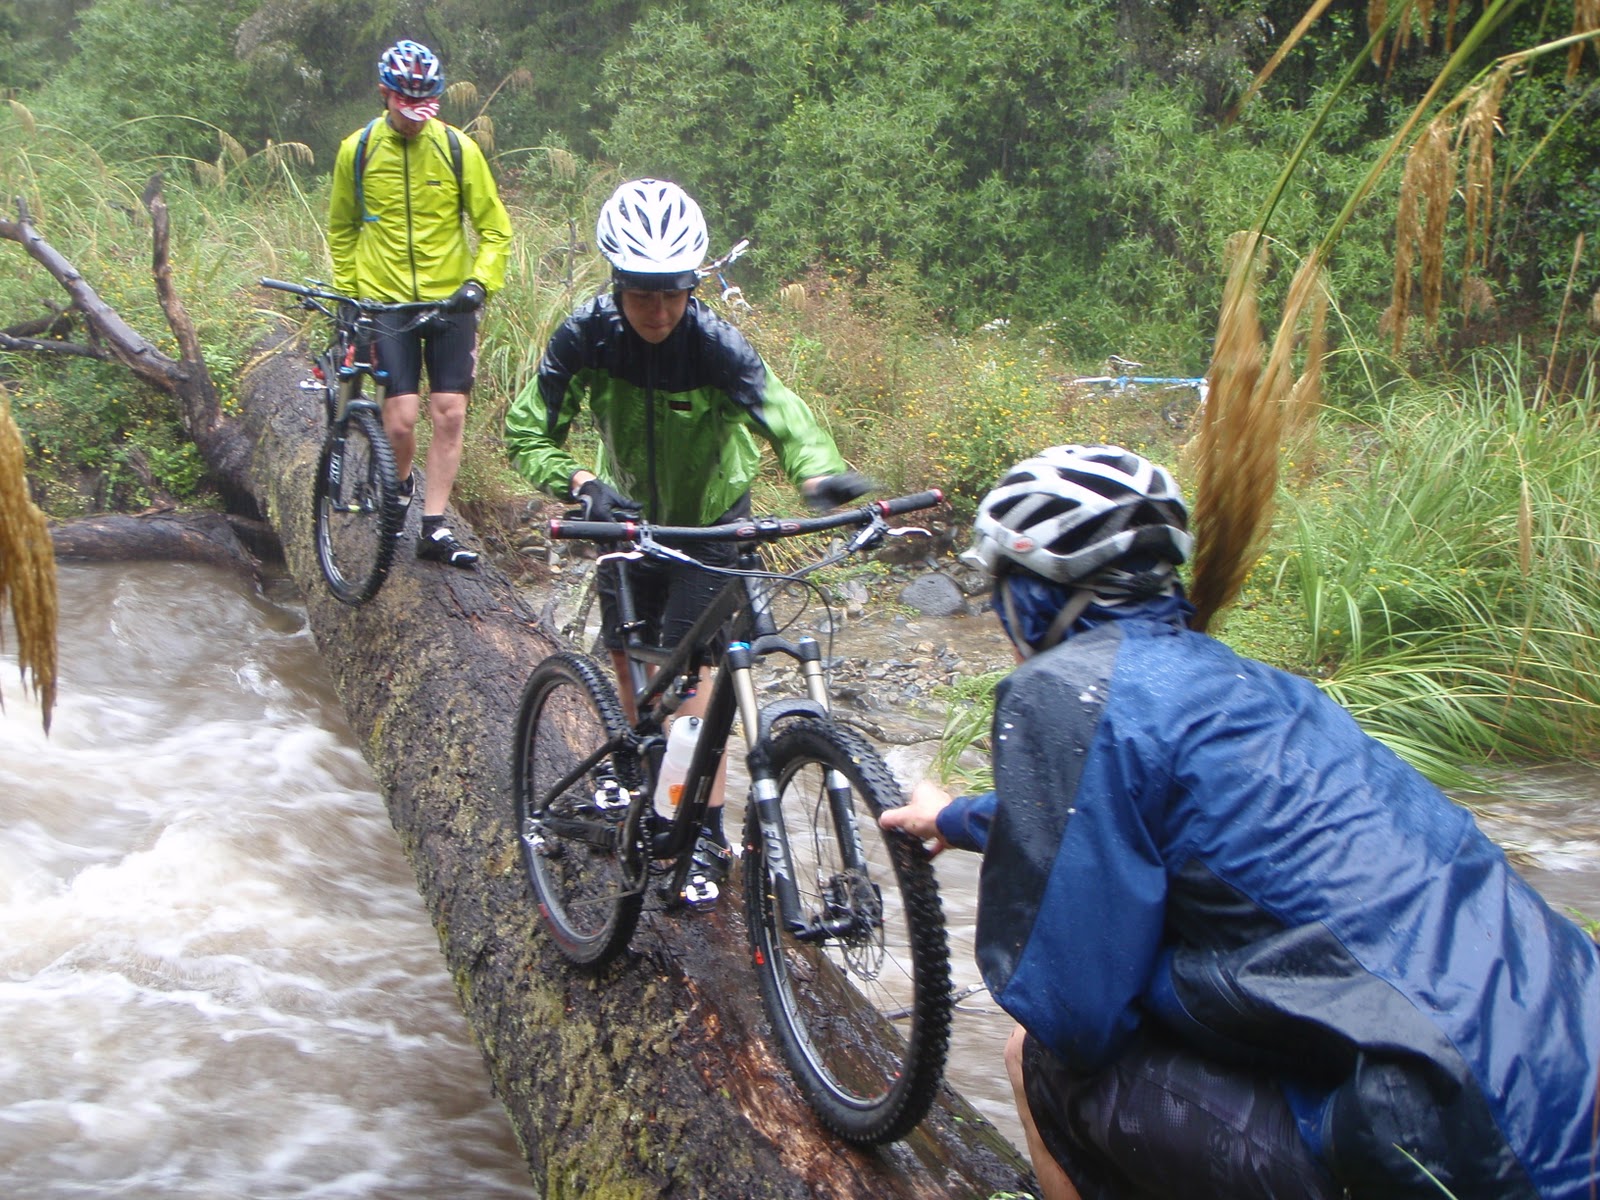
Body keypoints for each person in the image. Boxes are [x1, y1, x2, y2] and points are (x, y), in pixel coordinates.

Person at [881, 444, 1600, 1200]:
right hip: (1563, 1072)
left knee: (1039, 1059)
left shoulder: (1062, 688)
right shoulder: (1255, 689)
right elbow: (1116, 816)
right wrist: (959, 816)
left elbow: (1076, 1014)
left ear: (1031, 590)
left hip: (1455, 1150)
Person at [504, 177, 870, 900]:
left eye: (673, 292)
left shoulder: (713, 344)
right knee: (634, 669)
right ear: (617, 283)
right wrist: (579, 482)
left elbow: (784, 413)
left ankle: (704, 837)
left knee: (700, 685)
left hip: (710, 525)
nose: (659, 310)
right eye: (642, 294)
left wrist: (821, 475)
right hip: (625, 517)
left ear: (692, 285)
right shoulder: (588, 335)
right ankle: (641, 778)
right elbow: (526, 430)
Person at [328, 38, 514, 568]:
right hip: (386, 303)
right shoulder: (357, 150)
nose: (414, 120)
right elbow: (342, 228)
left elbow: (495, 230)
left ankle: (434, 527)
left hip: (452, 302)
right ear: (385, 95)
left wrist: (480, 283)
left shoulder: (458, 149)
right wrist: (350, 292)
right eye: (405, 109)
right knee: (402, 420)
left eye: (424, 109)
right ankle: (400, 486)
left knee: (449, 412)